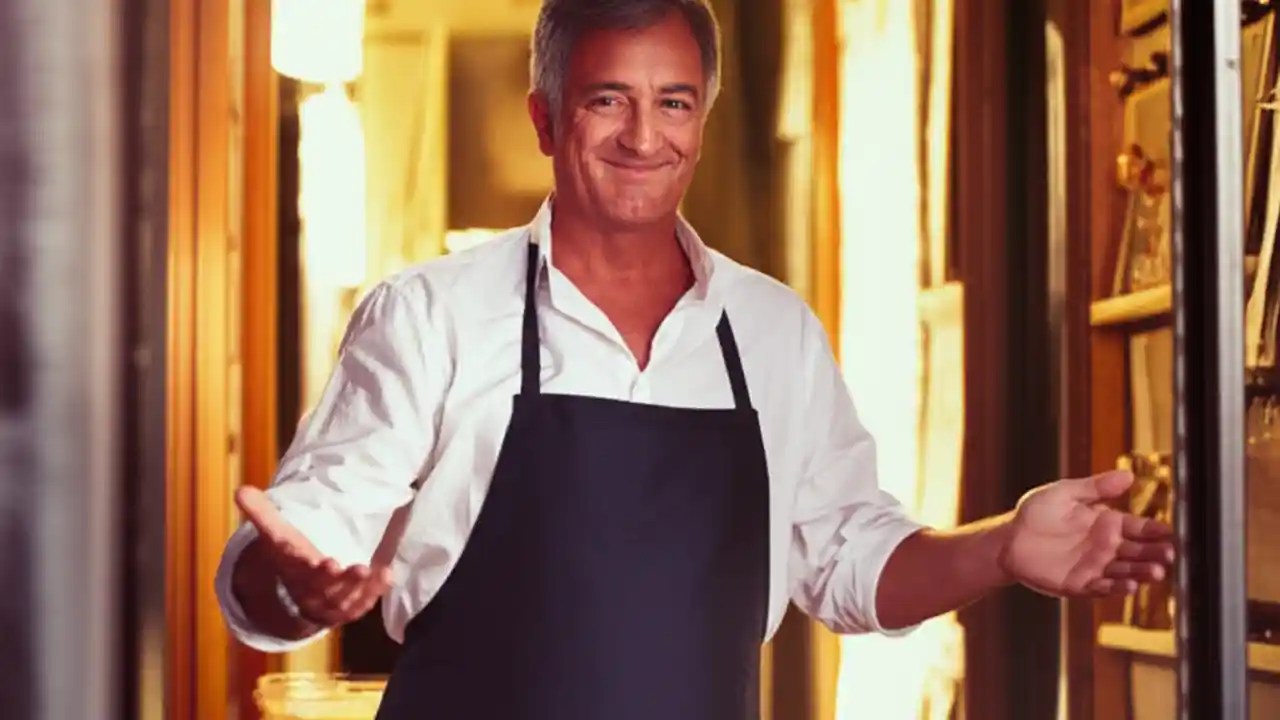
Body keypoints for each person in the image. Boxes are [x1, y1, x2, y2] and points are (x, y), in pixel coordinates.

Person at [215, 1, 1176, 717]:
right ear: (547, 119)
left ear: (703, 120)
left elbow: (849, 561)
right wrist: (294, 586)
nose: (644, 136)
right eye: (607, 100)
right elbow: (307, 531)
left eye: (673, 101)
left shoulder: (773, 329)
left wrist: (1001, 546)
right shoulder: (431, 315)